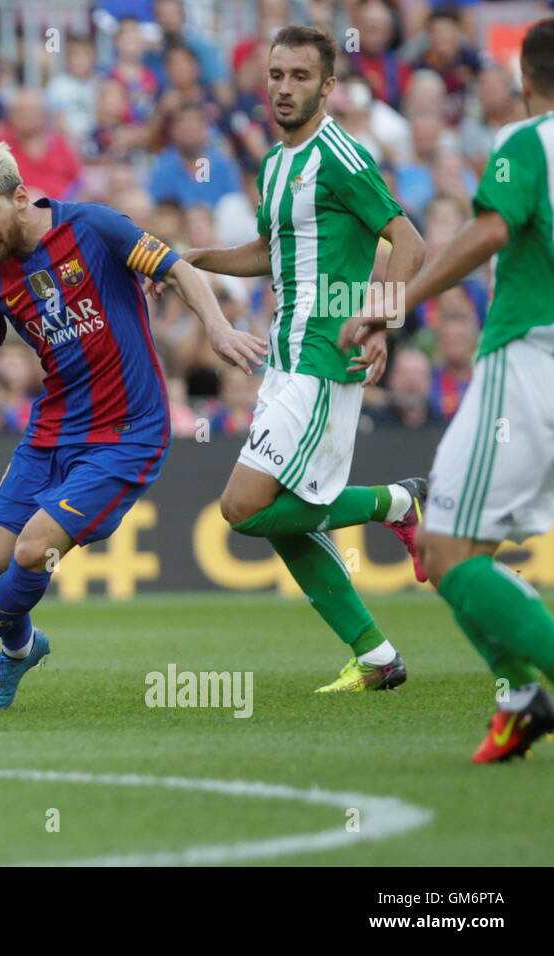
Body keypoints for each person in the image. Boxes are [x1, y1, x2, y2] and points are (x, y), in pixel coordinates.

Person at [0, 139, 265, 709]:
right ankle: (22, 651)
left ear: (21, 197)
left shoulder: (95, 227)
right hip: (52, 428)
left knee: (31, 552)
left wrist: (220, 329)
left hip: (127, 432)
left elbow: (178, 271)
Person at [162, 25, 427, 693]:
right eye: (276, 75)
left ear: (328, 85)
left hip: (323, 356)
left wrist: (379, 321)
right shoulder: (277, 163)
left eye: (300, 77)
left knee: (243, 508)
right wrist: (197, 260)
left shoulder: (341, 155)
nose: (284, 88)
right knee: (281, 517)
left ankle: (396, 502)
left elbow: (409, 241)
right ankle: (376, 657)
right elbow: (269, 252)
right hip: (283, 359)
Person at [340, 18, 554, 762]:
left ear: (526, 79)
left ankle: (527, 685)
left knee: (446, 550)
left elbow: (491, 231)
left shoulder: (529, 143)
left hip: (530, 362)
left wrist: (389, 309)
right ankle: (520, 696)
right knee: (467, 543)